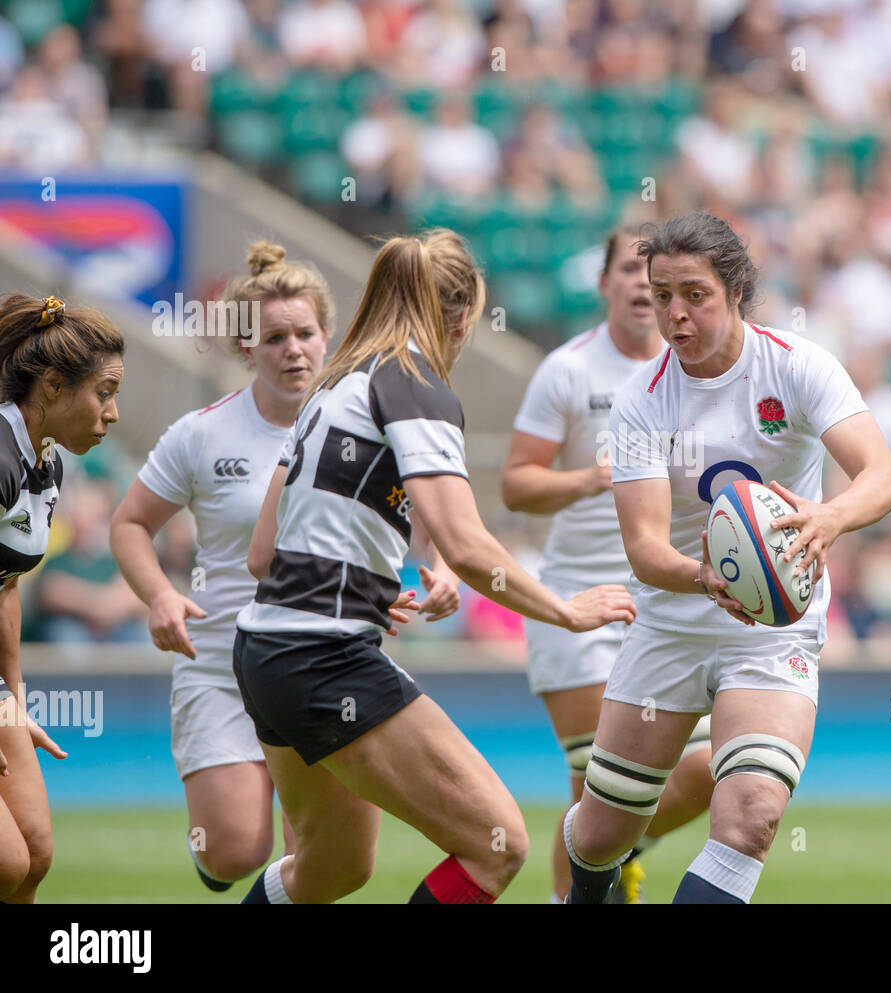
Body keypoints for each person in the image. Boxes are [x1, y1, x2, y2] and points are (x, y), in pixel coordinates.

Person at [233, 229, 635, 904]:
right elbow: (468, 541)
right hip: (323, 658)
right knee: (497, 843)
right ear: (460, 317)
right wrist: (566, 609)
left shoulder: (335, 386)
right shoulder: (416, 383)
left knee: (331, 866)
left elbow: (262, 552)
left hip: (264, 652)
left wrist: (356, 579)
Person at [563, 212, 891, 904]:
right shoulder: (641, 402)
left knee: (751, 817)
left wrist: (830, 515)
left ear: (736, 289)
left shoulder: (797, 365)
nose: (675, 314)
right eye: (661, 296)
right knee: (599, 834)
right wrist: (705, 577)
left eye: (694, 294)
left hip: (775, 629)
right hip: (672, 627)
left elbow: (883, 477)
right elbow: (646, 547)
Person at [110, 242, 351, 891]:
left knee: (323, 863)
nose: (294, 349)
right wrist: (159, 595)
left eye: (305, 333)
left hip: (325, 663)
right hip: (220, 663)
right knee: (235, 850)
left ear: (327, 337)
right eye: (275, 337)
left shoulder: (360, 429)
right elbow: (129, 524)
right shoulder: (202, 433)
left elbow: (414, 517)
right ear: (247, 348)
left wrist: (426, 578)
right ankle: (222, 848)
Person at [502, 225, 714, 904]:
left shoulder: (694, 372)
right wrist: (588, 480)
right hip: (581, 597)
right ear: (605, 284)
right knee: (596, 784)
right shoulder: (568, 369)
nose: (639, 284)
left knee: (715, 765)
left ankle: (629, 845)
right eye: (628, 269)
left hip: (667, 595)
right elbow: (515, 483)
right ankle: (591, 878)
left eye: (651, 274)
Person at [0, 293, 124, 902]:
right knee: (3, 863)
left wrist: (15, 703)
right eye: (104, 392)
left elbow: (6, 583)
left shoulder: (45, 465)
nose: (115, 413)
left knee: (34, 856)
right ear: (52, 386)